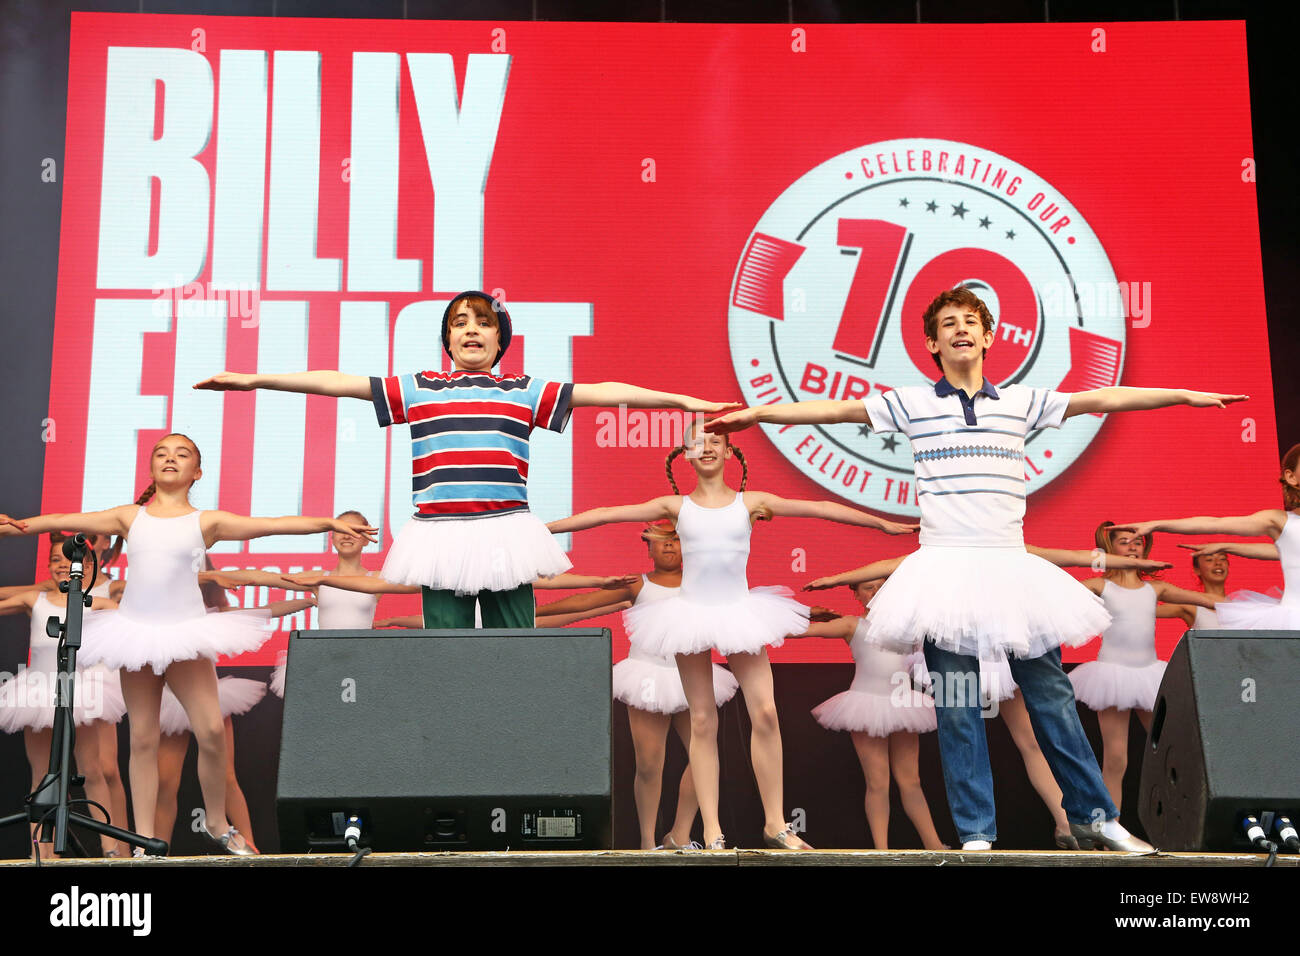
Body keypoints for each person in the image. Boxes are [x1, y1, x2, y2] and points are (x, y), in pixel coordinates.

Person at [707, 284, 1245, 851]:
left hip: (1012, 573)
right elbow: (837, 409)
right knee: (959, 704)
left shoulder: (1022, 402)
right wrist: (759, 413)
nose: (960, 328)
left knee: (1051, 696)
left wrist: (1184, 395)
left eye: (970, 320)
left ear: (988, 337)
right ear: (932, 343)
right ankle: (976, 832)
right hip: (944, 578)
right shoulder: (911, 403)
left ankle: (1095, 815)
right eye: (947, 323)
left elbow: (1102, 399)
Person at [194, 291, 736, 629]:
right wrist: (253, 378)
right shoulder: (420, 387)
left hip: (504, 533)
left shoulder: (525, 389)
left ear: (500, 338)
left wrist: (681, 401)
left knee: (512, 652)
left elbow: (602, 390)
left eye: (483, 322)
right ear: (447, 339)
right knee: (447, 653)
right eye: (459, 323)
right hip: (439, 536)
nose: (471, 330)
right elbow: (336, 383)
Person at [0, 433, 376, 855]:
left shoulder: (206, 522)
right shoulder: (130, 517)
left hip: (185, 633)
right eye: (162, 453)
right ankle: (141, 840)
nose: (170, 459)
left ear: (196, 472)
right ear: (151, 468)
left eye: (181, 455)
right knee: (142, 738)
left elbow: (269, 525)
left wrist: (328, 523)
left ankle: (216, 822)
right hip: (136, 636)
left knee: (212, 729)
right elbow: (69, 518)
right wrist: (22, 526)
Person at [547, 424, 916, 849]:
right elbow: (605, 514)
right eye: (696, 444)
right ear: (685, 455)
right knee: (703, 720)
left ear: (728, 452)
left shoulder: (750, 502)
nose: (705, 448)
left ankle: (775, 823)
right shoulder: (675, 506)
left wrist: (881, 524)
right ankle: (711, 829)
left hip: (740, 611)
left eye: (714, 442)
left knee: (766, 712)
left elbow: (818, 507)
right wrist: (545, 529)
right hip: (689, 615)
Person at [807, 542, 1174, 849]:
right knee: (955, 720)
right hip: (952, 638)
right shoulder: (942, 549)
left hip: (1008, 634)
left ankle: (1077, 818)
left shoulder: (1004, 543)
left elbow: (1069, 556)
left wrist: (1131, 563)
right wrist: (840, 578)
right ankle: (969, 834)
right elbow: (900, 564)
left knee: (1038, 725)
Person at [534, 521, 740, 850]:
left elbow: (741, 615)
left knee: (703, 756)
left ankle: (680, 833)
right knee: (648, 763)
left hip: (695, 680)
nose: (670, 546)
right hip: (647, 675)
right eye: (662, 541)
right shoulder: (637, 585)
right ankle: (646, 842)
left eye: (676, 540)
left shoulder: (704, 586)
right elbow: (583, 602)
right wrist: (531, 612)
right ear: (648, 548)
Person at [1069, 522, 1216, 813]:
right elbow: (1060, 594)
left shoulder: (1155, 588)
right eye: (1124, 542)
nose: (1133, 547)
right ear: (1111, 550)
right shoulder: (1100, 586)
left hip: (1149, 675)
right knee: (1116, 759)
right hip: (1111, 676)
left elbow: (1205, 600)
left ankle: (1185, 820)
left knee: (1170, 750)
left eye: (1137, 542)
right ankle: (1109, 829)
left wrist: (1252, 607)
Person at [791, 578, 944, 850]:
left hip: (903, 704)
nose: (876, 592)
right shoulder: (853, 625)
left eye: (881, 586)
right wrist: (803, 612)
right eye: (868, 587)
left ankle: (934, 845)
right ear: (856, 595)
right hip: (866, 706)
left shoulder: (908, 627)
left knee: (912, 780)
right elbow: (800, 633)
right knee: (877, 782)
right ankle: (881, 852)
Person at [0, 539, 124, 859]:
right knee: (42, 776)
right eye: (54, 559)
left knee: (92, 770)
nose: (60, 564)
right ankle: (41, 854)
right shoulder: (35, 598)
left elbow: (131, 619)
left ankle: (110, 851)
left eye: (67, 559)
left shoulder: (95, 603)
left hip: (78, 691)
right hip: (37, 690)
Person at [1117, 442, 1299, 631]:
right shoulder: (1281, 521)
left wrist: (1226, 546)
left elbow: (1277, 552)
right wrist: (1158, 524)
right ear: (1291, 477)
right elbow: (1215, 523)